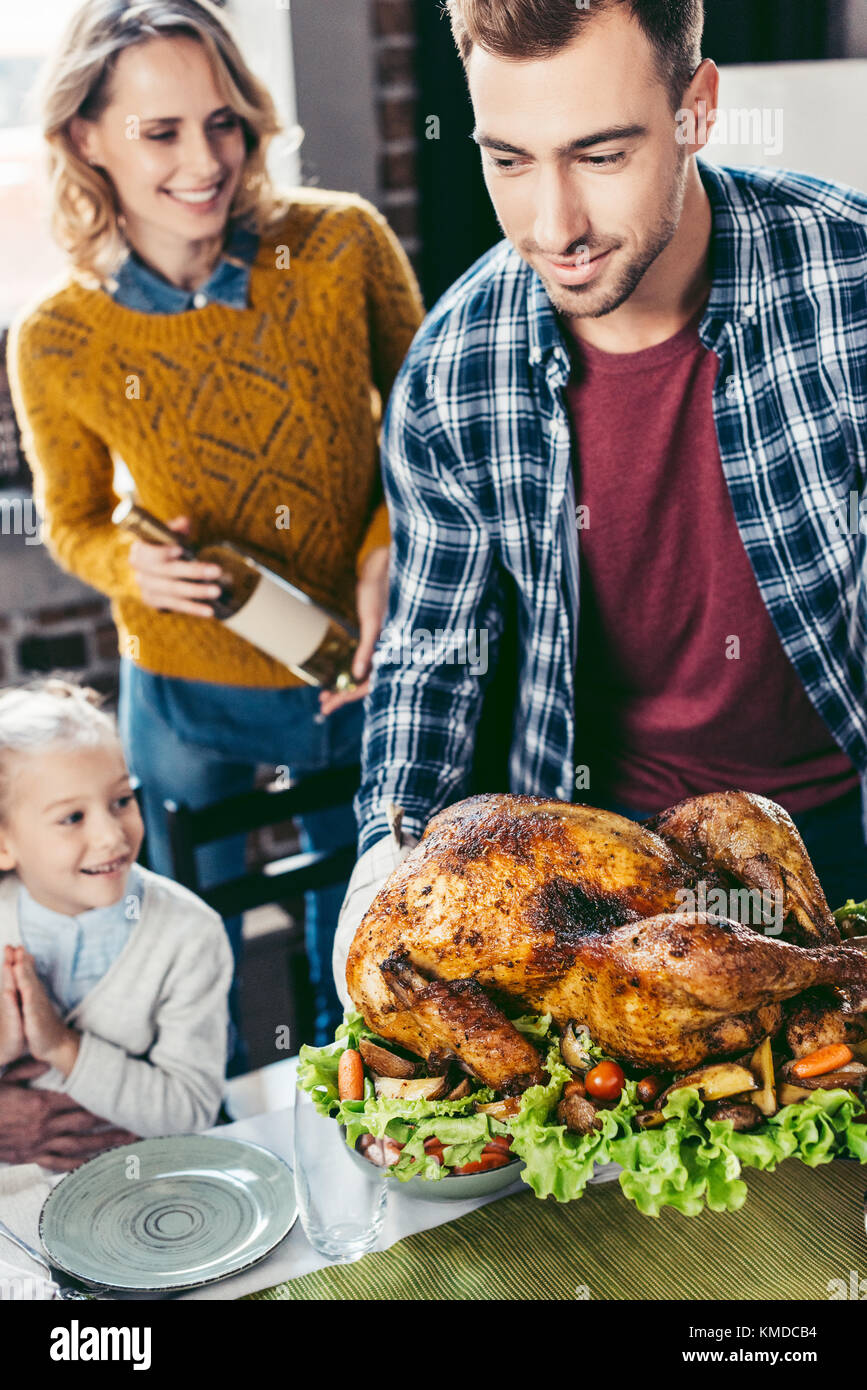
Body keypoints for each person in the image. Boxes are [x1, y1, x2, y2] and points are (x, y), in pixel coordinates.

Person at [333, 0, 867, 1004]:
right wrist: (386, 859)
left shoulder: (852, 290)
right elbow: (432, 651)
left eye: (602, 155)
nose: (555, 224)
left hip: (846, 841)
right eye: (510, 159)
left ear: (697, 109)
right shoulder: (454, 370)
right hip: (591, 890)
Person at [6, 0, 424, 1059]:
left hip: (359, 660)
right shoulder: (58, 338)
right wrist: (129, 563)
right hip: (188, 690)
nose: (208, 160)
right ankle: (217, 1132)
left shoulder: (341, 247)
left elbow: (432, 441)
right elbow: (74, 524)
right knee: (190, 935)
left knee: (374, 924)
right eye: (161, 132)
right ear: (84, 139)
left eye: (224, 122)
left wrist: (383, 547)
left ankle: (350, 1109)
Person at [0, 680, 233, 1169]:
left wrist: (63, 1047)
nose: (112, 836)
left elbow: (190, 1112)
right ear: (4, 844)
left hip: (148, 1184)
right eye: (72, 818)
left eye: (121, 801)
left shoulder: (189, 935)